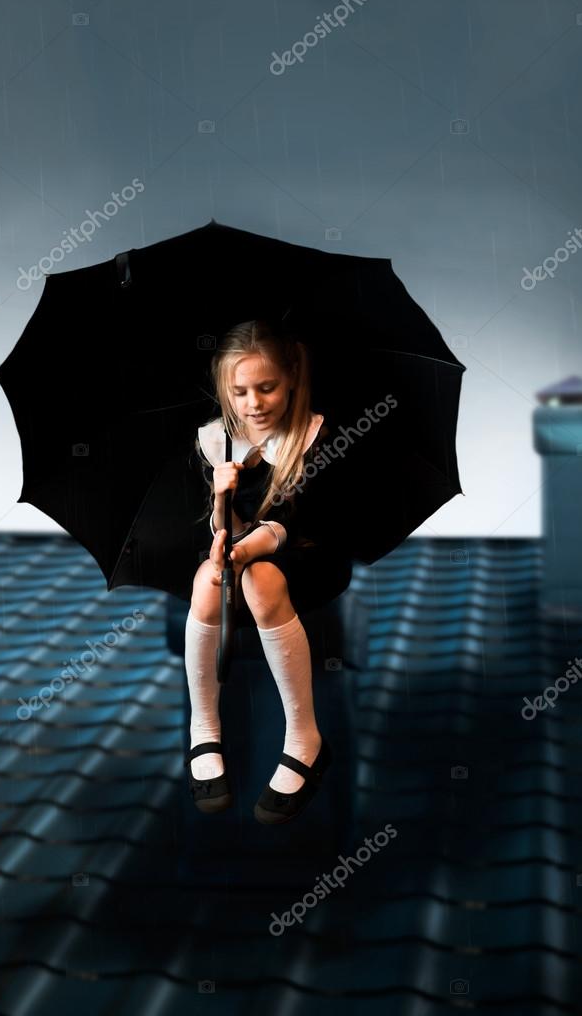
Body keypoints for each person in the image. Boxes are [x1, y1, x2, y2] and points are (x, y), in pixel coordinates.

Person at [183, 319, 352, 823]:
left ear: (293, 379)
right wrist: (220, 502)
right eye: (240, 392)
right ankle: (204, 727)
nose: (253, 402)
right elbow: (227, 529)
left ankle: (305, 736)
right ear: (225, 391)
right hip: (243, 549)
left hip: (309, 552)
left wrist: (247, 547)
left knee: (259, 577)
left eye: (267, 387)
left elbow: (304, 523)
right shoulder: (216, 443)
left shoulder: (318, 436)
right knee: (208, 580)